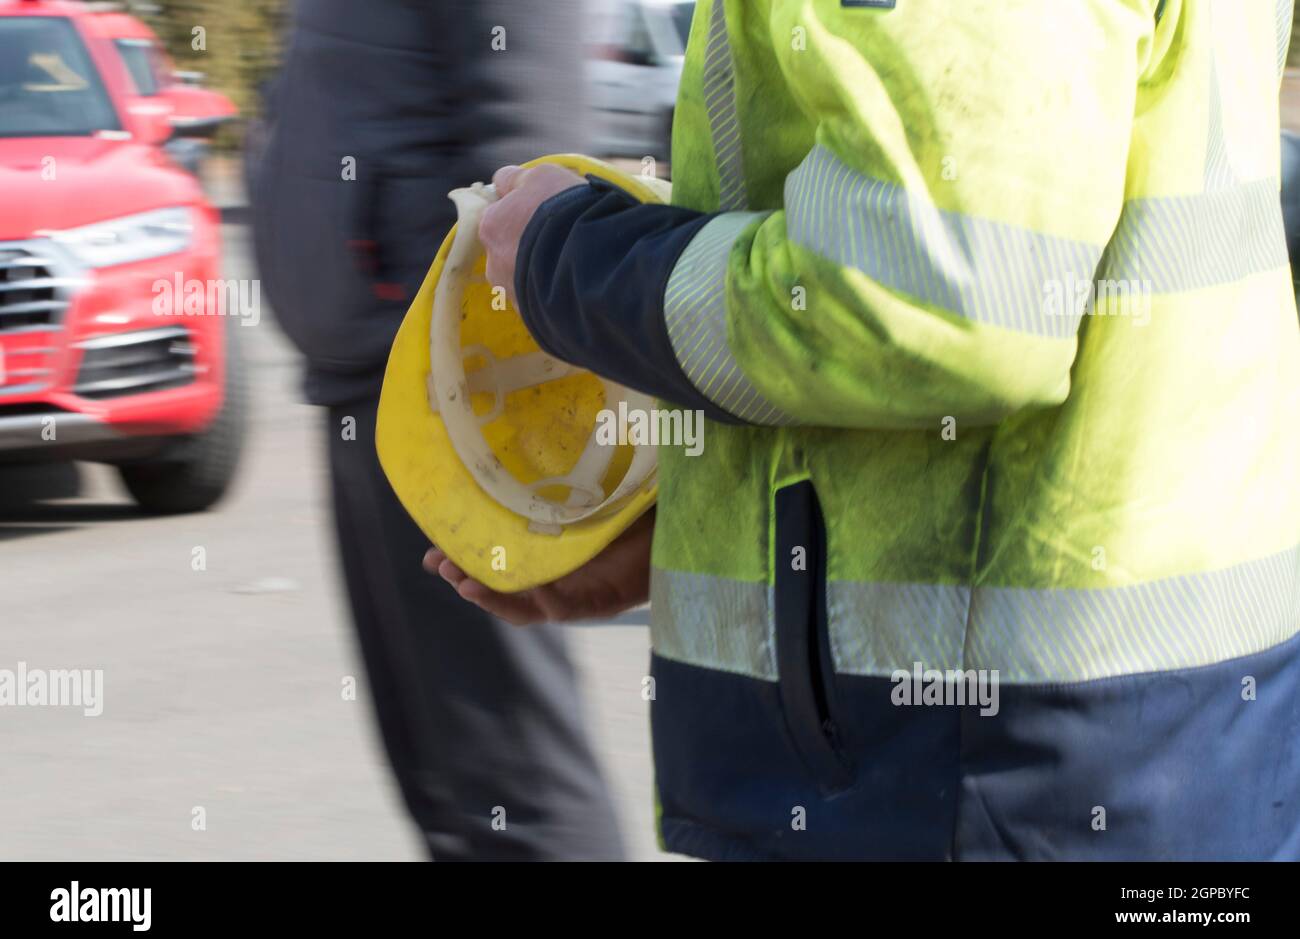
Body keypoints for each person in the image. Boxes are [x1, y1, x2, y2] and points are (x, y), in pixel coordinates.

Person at [427, 0, 1300, 859]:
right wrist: (696, 533)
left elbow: (944, 293)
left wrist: (568, 263)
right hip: (1138, 739)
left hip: (970, 767)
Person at [249, 0, 625, 860]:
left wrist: (486, 373)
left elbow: (530, 135)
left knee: (511, 779)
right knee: (445, 776)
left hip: (442, 394)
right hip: (363, 379)